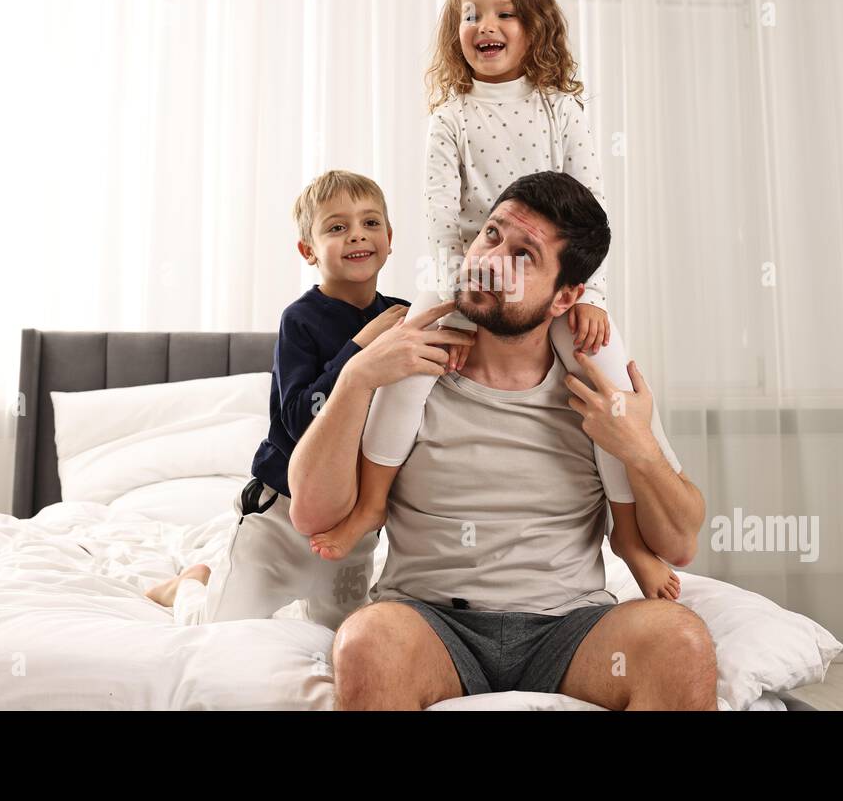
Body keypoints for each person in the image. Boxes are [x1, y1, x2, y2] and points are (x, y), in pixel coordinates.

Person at [312, 0, 681, 602]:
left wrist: (589, 297)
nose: (485, 25)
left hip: (550, 283)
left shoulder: (561, 110)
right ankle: (371, 505)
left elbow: (589, 203)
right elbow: (437, 211)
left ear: (535, 27)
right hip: (462, 274)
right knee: (406, 374)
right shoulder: (450, 117)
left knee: (611, 391)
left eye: (504, 12)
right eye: (470, 14)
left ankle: (629, 539)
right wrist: (457, 287)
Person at [290, 171, 716, 710]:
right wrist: (354, 378)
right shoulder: (409, 369)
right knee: (367, 641)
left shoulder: (596, 387)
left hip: (572, 628)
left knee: (681, 639)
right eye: (491, 236)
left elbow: (680, 543)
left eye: (524, 255)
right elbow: (313, 513)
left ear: (567, 297)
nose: (492, 261)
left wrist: (640, 449)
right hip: (431, 624)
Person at [143, 170, 464, 632]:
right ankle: (191, 583)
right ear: (308, 250)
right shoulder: (300, 320)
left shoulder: (402, 317)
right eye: (336, 227)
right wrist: (361, 348)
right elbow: (299, 418)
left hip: (352, 525)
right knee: (215, 628)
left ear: (390, 239)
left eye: (370, 223)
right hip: (278, 517)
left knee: (341, 633)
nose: (357, 233)